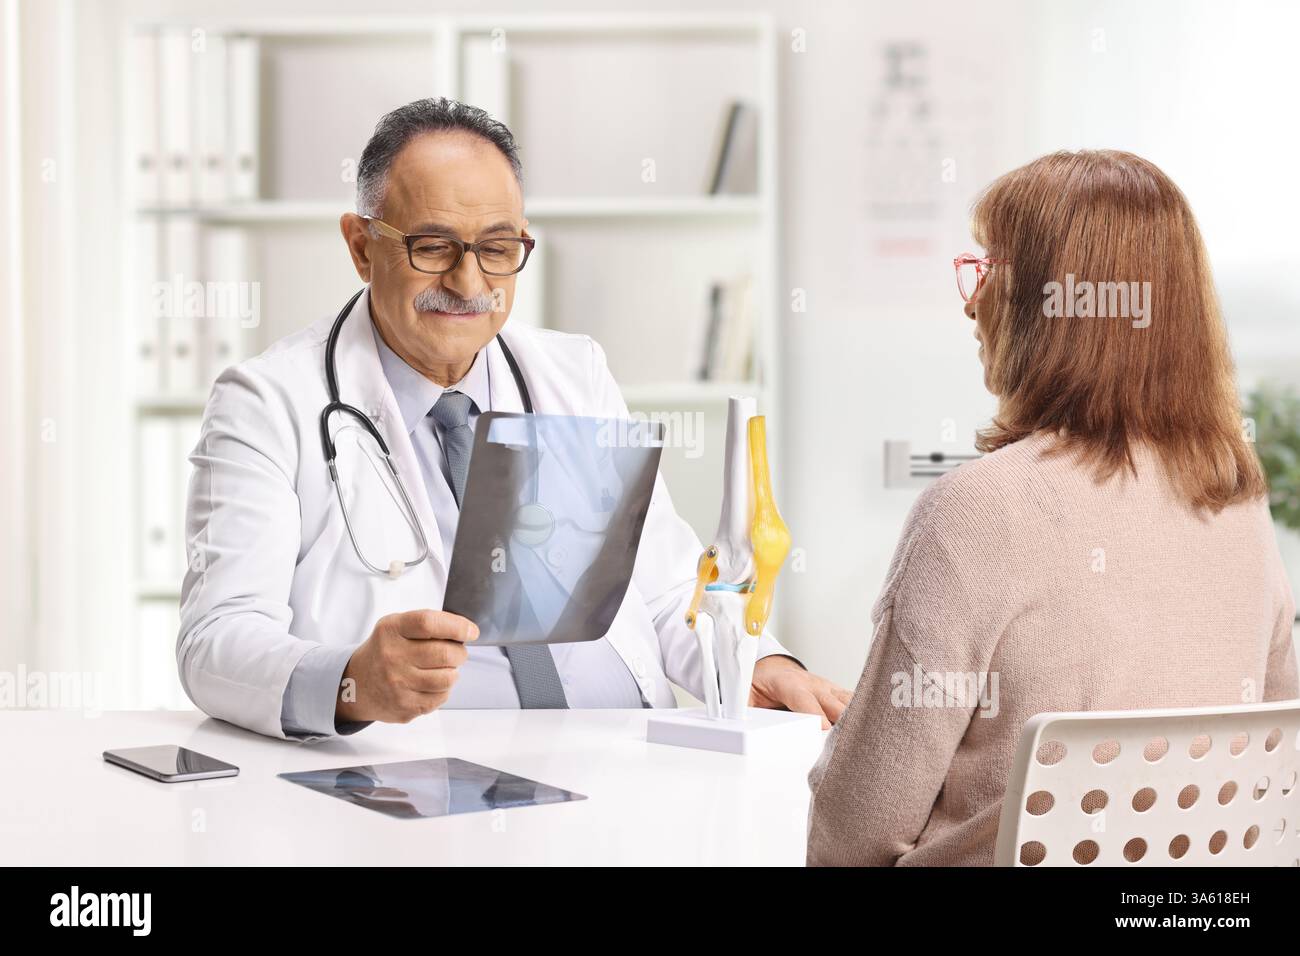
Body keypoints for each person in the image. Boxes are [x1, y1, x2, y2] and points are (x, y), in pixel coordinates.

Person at [177, 98, 849, 740]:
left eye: (497, 248)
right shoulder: (267, 404)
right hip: (424, 782)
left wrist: (761, 668)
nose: (470, 285)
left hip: (624, 758)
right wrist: (352, 682)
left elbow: (666, 585)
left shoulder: (574, 372)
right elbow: (218, 640)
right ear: (360, 246)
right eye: (433, 247)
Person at [806, 149, 1299, 866]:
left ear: (1053, 307)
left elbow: (849, 837)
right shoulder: (1239, 501)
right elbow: (1276, 773)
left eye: (989, 269)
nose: (970, 301)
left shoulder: (972, 513)